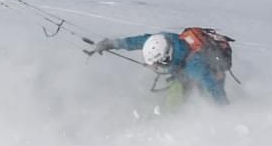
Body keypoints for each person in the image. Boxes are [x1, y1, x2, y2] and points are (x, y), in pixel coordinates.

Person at [86, 27, 232, 108]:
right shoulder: (161, 40)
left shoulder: (195, 68)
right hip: (182, 71)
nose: (155, 67)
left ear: (167, 58)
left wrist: (225, 112)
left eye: (158, 64)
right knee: (174, 99)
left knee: (203, 100)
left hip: (209, 74)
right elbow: (137, 41)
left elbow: (213, 88)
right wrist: (111, 44)